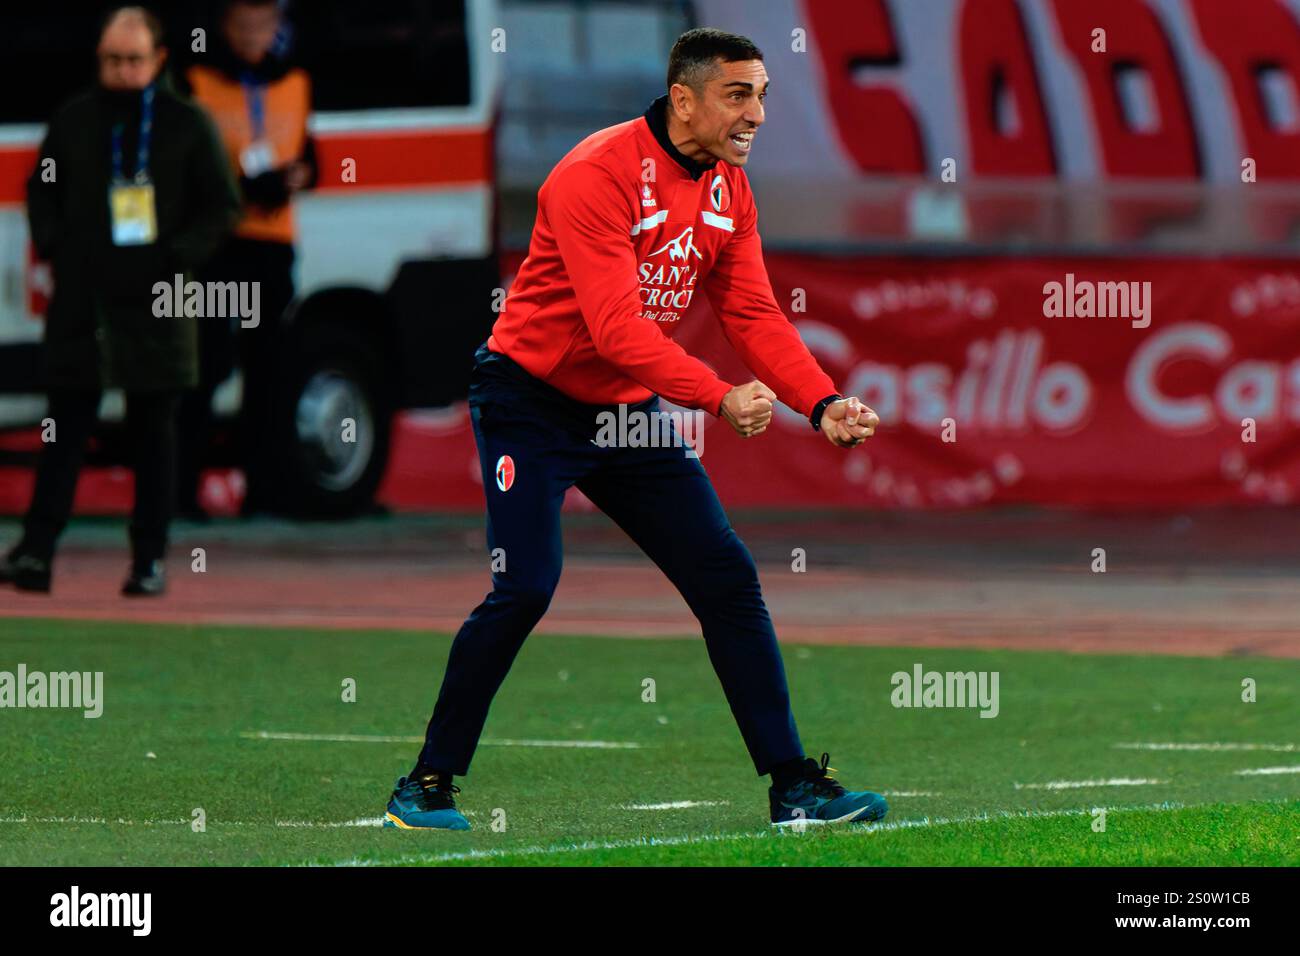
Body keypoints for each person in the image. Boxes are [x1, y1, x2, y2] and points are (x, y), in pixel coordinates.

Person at [383, 28, 886, 831]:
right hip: (529, 402)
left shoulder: (729, 189)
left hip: (625, 412)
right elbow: (618, 330)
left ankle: (793, 785)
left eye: (762, 95)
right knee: (526, 587)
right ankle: (426, 784)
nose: (757, 113)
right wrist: (718, 398)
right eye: (738, 95)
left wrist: (821, 404)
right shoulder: (595, 174)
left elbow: (753, 313)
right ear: (682, 98)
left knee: (724, 577)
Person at [0, 6, 239, 596]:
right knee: (66, 427)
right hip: (86, 300)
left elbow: (222, 206)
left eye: (132, 60)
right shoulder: (76, 119)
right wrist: (55, 242)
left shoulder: (187, 123)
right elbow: (42, 186)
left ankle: (148, 559)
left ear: (158, 60)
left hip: (159, 298)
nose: (120, 70)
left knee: (154, 433)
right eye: (110, 59)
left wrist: (177, 257)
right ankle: (36, 551)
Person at [178, 0, 317, 518]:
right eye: (243, 24)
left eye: (264, 25)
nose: (254, 35)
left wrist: (295, 177)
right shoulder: (199, 81)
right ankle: (183, 491)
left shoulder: (295, 82)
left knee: (270, 370)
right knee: (206, 367)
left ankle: (265, 490)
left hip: (272, 247)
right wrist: (237, 186)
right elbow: (185, 168)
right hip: (218, 248)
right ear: (224, 25)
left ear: (278, 26)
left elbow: (313, 159)